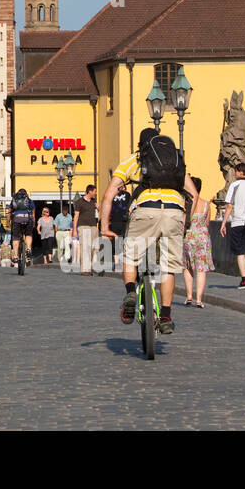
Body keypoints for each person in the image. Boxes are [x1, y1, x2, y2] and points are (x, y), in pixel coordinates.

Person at [100, 128, 199, 336]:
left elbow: (108, 195)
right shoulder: (175, 161)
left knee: (130, 257)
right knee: (168, 267)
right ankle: (165, 316)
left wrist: (104, 227)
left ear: (140, 145)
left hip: (145, 210)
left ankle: (130, 293)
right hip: (174, 211)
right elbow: (194, 194)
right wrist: (185, 221)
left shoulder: (134, 160)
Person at [182, 176, 214, 307]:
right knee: (201, 269)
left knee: (187, 267)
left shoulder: (185, 204)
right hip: (203, 238)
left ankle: (189, 296)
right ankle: (199, 300)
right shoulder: (206, 204)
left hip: (189, 237)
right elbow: (207, 223)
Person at [72, 184, 98, 276]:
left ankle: (89, 267)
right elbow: (76, 216)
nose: (96, 193)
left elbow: (100, 213)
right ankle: (85, 269)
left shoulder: (94, 201)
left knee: (93, 248)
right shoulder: (79, 202)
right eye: (95, 191)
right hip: (83, 226)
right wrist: (74, 230)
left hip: (93, 226)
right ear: (90, 191)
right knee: (85, 247)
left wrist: (99, 208)